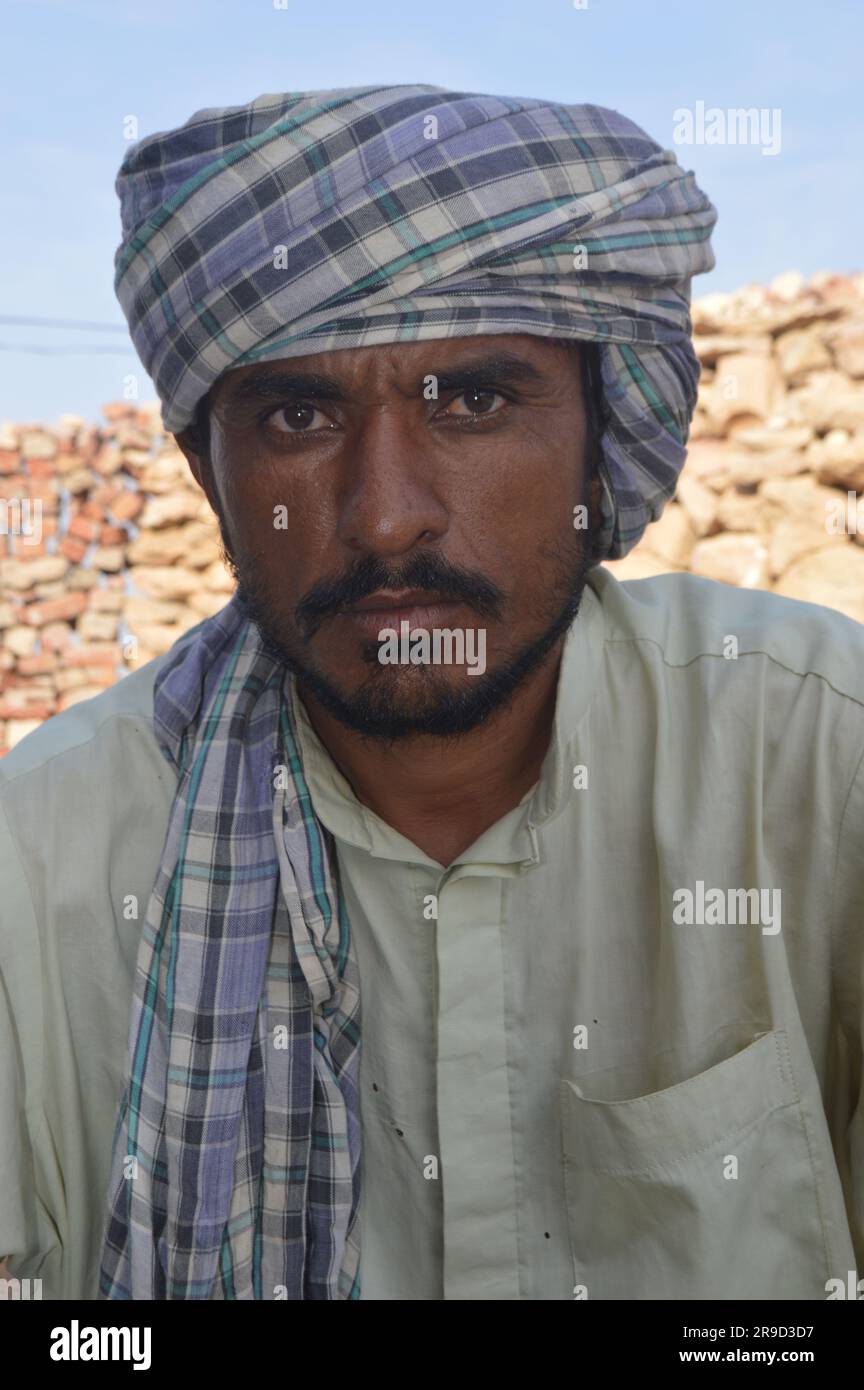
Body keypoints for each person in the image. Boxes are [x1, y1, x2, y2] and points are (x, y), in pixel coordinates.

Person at [1, 84, 862, 1302]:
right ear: (211, 472)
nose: (388, 511)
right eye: (300, 414)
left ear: (600, 426)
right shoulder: (35, 865)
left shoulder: (819, 758)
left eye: (472, 399)